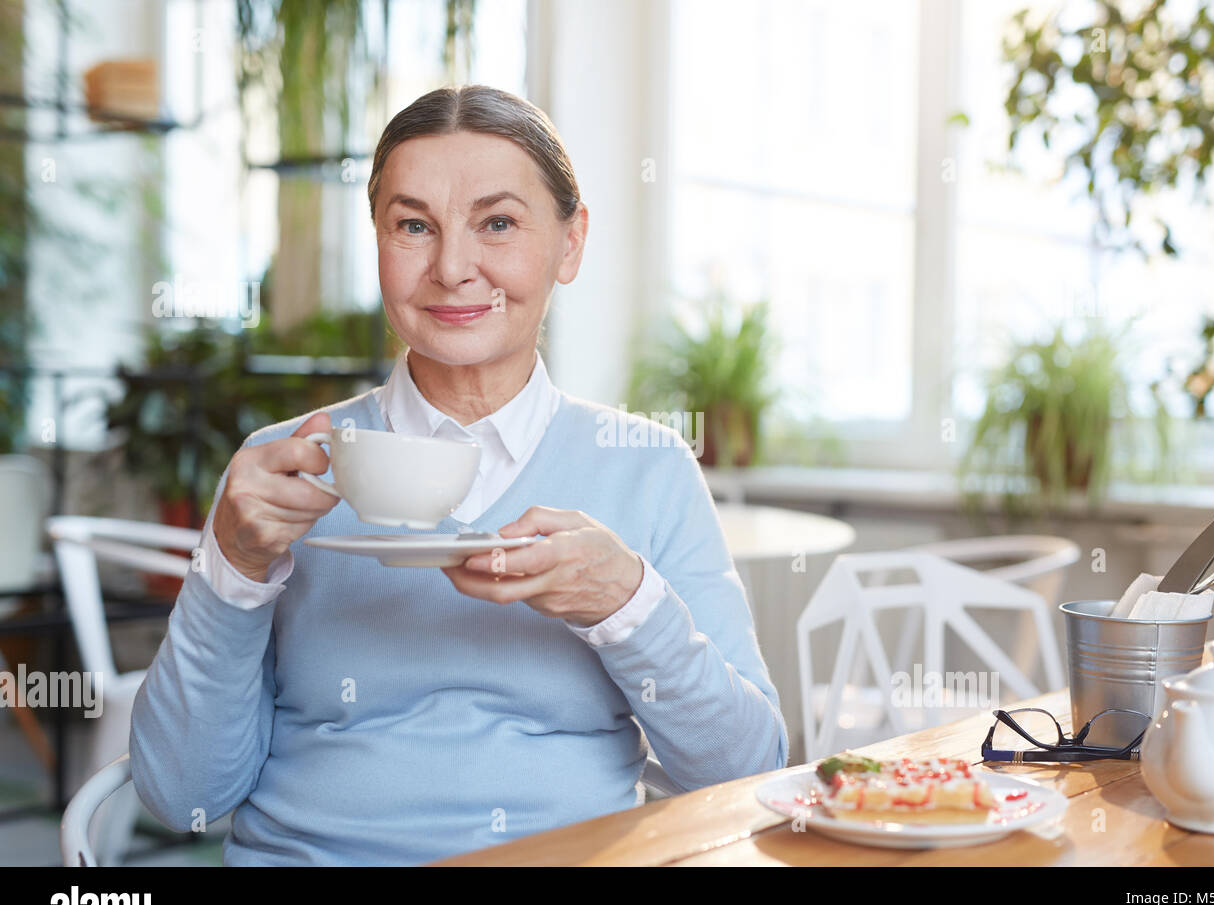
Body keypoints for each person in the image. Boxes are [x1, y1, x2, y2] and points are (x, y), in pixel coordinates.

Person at [129, 84, 787, 865]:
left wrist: (625, 602)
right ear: (377, 241)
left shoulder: (646, 465)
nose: (450, 267)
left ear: (571, 243)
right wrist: (232, 571)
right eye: (413, 226)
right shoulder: (281, 471)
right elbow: (183, 798)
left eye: (498, 223)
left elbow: (747, 772)